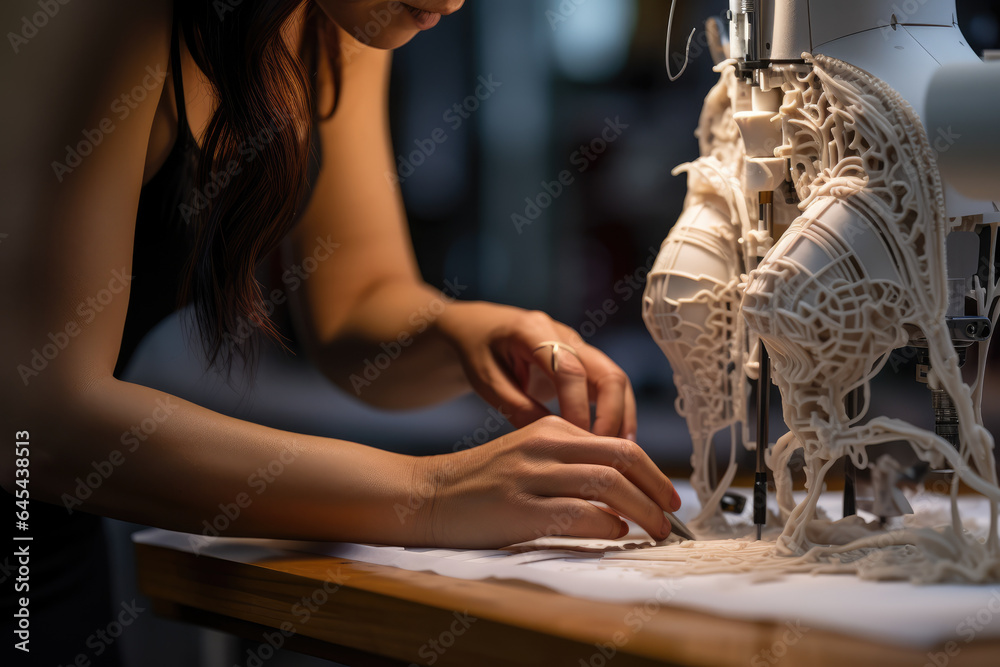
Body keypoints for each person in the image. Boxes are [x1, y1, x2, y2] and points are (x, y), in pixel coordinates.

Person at [2, 1, 680, 661]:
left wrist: (467, 334)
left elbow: (355, 309)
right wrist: (432, 494)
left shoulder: (335, 17)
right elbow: (33, 418)